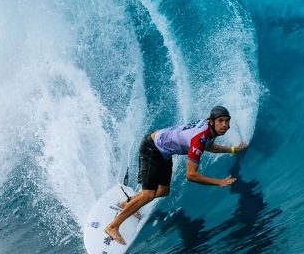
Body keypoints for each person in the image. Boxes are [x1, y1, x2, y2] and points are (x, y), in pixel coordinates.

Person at [104, 105, 247, 244]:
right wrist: (219, 182)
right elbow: (191, 175)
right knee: (148, 194)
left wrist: (233, 150)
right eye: (220, 121)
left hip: (164, 151)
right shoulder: (199, 139)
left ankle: (126, 204)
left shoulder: (210, 131)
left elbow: (210, 146)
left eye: (227, 121)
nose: (224, 125)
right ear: (211, 121)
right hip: (152, 148)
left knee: (162, 191)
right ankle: (112, 226)